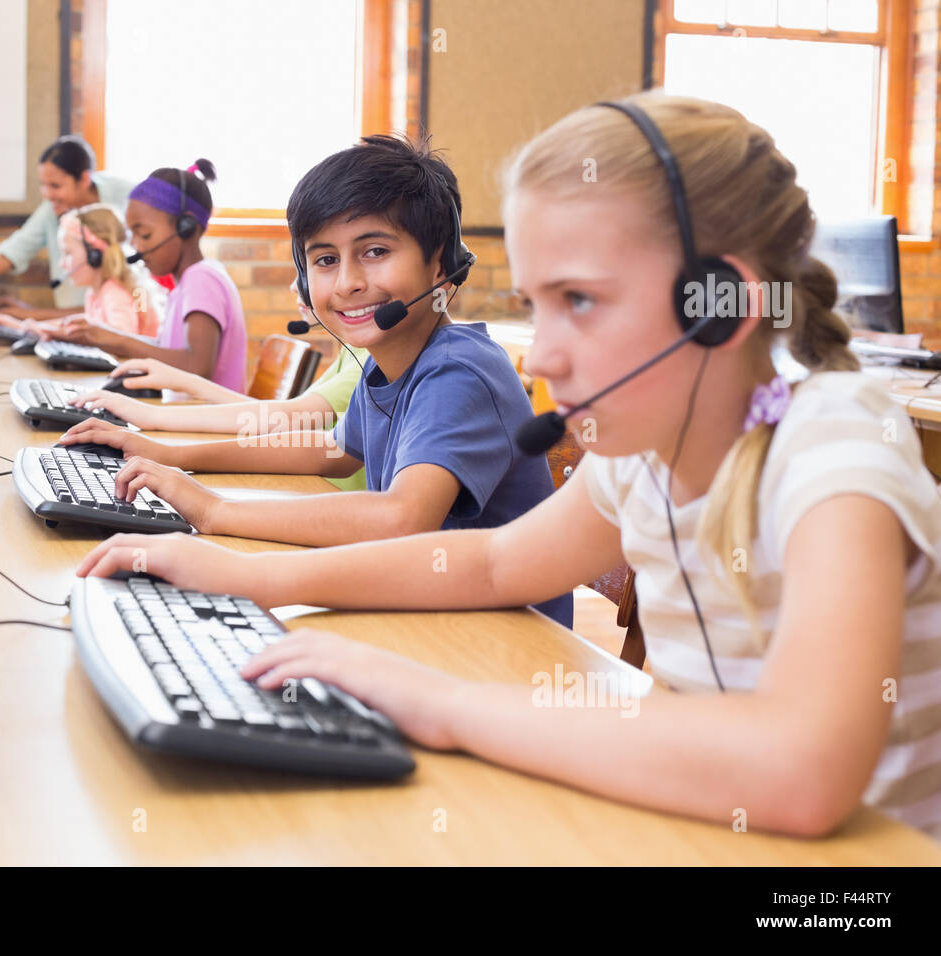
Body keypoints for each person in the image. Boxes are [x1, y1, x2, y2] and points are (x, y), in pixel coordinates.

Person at [72, 94, 941, 839]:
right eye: (537, 304)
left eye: (582, 302)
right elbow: (489, 560)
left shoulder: (835, 454)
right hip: (703, 820)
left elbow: (801, 772)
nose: (546, 355)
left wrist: (443, 705)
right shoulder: (640, 447)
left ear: (722, 303)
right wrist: (245, 578)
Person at [63, 134, 570, 626]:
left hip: (501, 641)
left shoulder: (459, 369)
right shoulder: (384, 363)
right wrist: (170, 453)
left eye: (375, 251)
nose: (348, 282)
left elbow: (400, 518)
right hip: (429, 608)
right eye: (326, 260)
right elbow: (329, 451)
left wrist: (216, 512)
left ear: (441, 261)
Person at [66, 281, 367, 490]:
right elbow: (287, 419)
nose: (293, 285)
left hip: (326, 497)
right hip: (315, 491)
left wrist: (154, 420)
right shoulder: (352, 352)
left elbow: (287, 419)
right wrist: (186, 382)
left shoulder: (367, 359)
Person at [39, 161, 249, 392]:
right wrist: (101, 335)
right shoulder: (186, 284)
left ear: (186, 227)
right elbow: (166, 349)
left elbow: (197, 366)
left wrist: (118, 341)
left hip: (206, 424)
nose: (137, 248)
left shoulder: (202, 279)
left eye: (145, 235)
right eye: (133, 236)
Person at [0, 135, 133, 319]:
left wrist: (31, 315)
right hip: (78, 323)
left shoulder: (128, 199)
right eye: (43, 184)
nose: (47, 194)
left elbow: (113, 314)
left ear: (84, 179)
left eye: (55, 186)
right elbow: (11, 252)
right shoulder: (53, 208)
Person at [0, 204, 160, 338]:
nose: (62, 263)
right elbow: (74, 325)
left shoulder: (115, 294)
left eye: (68, 253)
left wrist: (37, 329)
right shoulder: (95, 293)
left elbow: (121, 341)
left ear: (94, 255)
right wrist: (23, 326)